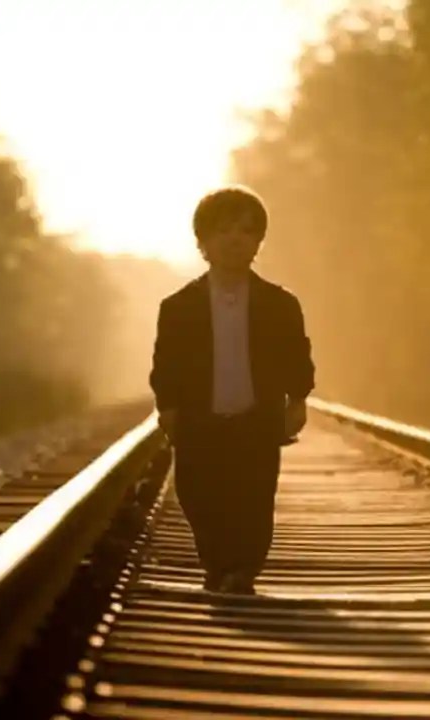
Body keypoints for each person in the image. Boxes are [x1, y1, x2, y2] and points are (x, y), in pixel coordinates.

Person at [149, 186, 315, 595]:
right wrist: (168, 408)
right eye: (222, 231)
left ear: (258, 241)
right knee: (197, 496)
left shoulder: (280, 304)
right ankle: (217, 565)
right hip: (199, 420)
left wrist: (298, 400)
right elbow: (166, 364)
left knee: (254, 498)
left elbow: (297, 357)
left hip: (255, 420)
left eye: (245, 231)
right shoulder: (178, 307)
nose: (234, 240)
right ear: (203, 241)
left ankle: (242, 569)